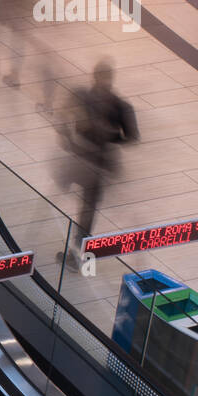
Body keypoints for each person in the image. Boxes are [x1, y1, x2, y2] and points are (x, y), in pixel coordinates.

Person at [60, 61, 138, 261]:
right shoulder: (119, 105)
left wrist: (70, 138)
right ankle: (77, 251)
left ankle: (77, 251)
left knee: (86, 209)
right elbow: (132, 137)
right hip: (94, 162)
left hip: (87, 162)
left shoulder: (91, 98)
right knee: (87, 209)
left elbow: (62, 115)